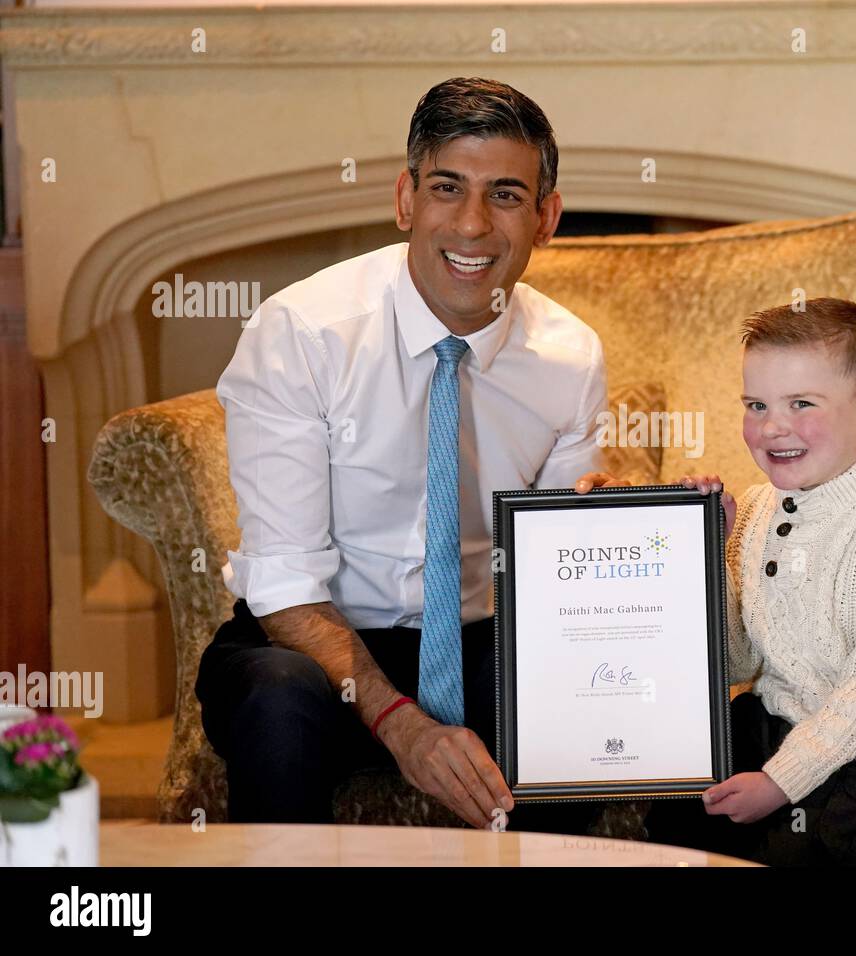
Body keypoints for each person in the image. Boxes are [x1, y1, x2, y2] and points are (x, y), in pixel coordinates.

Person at [196, 77, 627, 831]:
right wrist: (401, 722)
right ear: (405, 200)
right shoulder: (301, 333)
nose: (471, 225)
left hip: (480, 638)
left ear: (546, 217)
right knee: (274, 697)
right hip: (314, 641)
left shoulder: (569, 357)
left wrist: (604, 533)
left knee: (570, 694)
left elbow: (555, 588)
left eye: (505, 195)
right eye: (447, 188)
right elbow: (285, 583)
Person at [647, 297, 856, 866]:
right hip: (782, 711)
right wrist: (711, 554)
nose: (772, 427)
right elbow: (740, 666)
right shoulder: (759, 507)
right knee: (677, 803)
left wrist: (780, 782)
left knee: (812, 839)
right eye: (756, 404)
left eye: (801, 403)